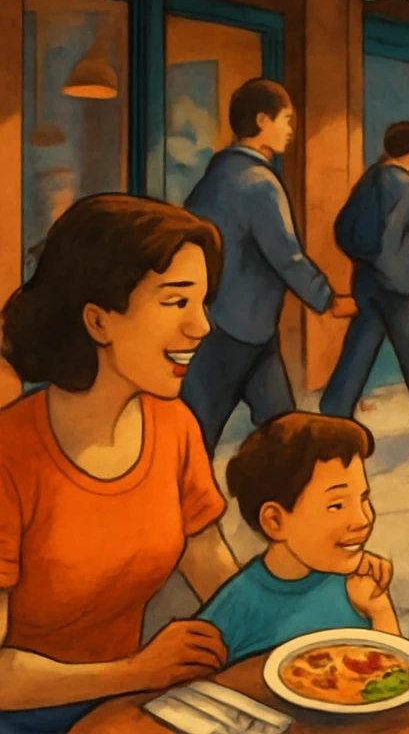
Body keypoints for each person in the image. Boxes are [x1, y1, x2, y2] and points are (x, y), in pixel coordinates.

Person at [0, 195, 241, 732]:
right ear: (99, 321)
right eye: (177, 303)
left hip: (128, 710)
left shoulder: (173, 426)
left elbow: (219, 579)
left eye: (203, 303)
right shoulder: (10, 456)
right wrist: (134, 671)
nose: (201, 327)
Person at [181, 78, 340, 456]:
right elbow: (287, 257)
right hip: (234, 329)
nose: (290, 130)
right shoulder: (259, 183)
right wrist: (328, 299)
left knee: (281, 425)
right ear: (261, 120)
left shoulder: (216, 177)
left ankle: (292, 501)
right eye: (286, 119)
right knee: (196, 438)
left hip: (237, 324)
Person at [198, 414, 397, 663]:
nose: (363, 519)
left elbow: (394, 674)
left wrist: (379, 610)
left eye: (364, 498)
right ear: (275, 521)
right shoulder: (236, 607)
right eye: (337, 505)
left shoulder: (357, 586)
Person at [320, 121, 409, 438]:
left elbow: (343, 224)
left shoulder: (370, 177)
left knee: (361, 342)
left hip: (366, 279)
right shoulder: (408, 186)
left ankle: (334, 409)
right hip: (395, 283)